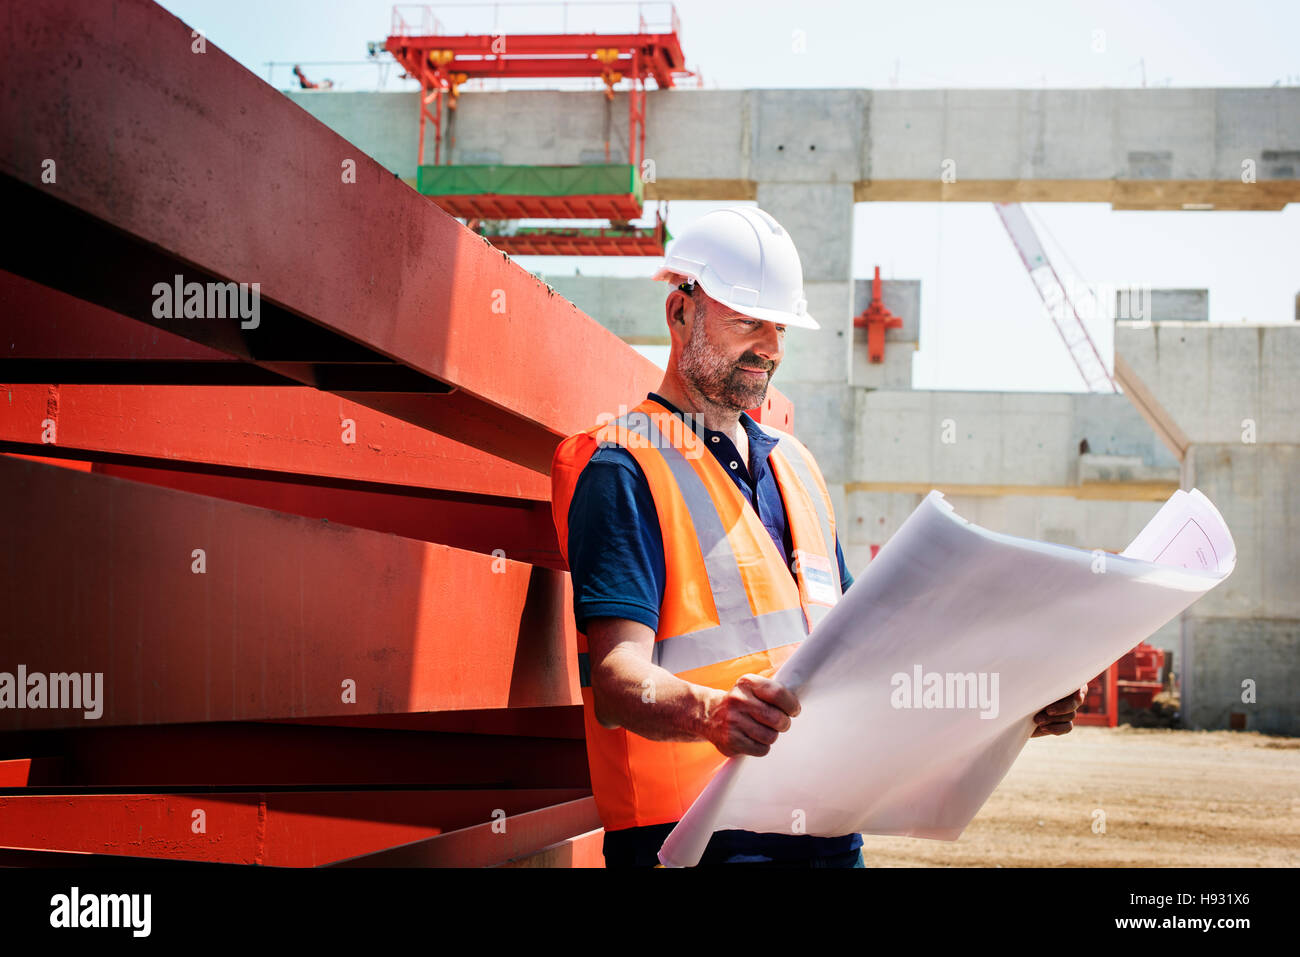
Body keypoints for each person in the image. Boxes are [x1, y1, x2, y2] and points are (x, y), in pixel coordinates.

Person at [550, 207, 1085, 868]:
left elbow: (872, 657)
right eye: (748, 321)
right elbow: (615, 678)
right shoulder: (624, 469)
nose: (769, 346)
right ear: (679, 311)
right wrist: (710, 713)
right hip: (695, 843)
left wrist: (1014, 698)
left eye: (779, 326)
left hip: (827, 836)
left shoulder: (797, 470)